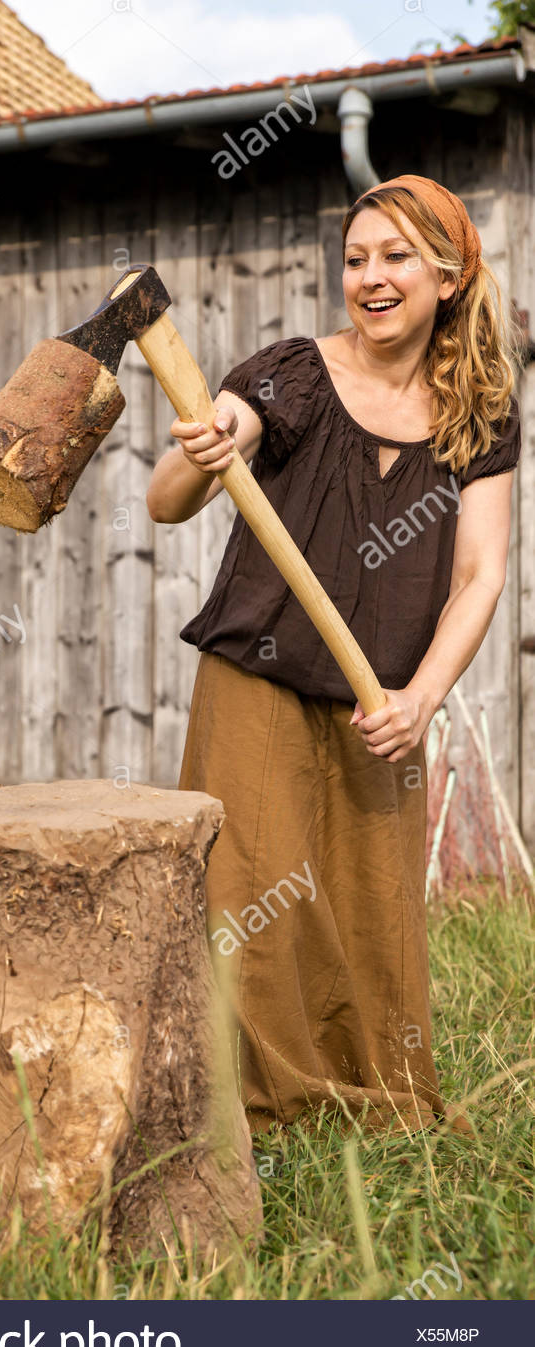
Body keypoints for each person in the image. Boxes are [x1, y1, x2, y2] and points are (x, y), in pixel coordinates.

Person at [146, 174, 523, 1136]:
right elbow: (166, 499)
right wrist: (208, 444)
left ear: (448, 273)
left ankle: (368, 1100)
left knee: (371, 910)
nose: (371, 276)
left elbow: (481, 575)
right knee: (253, 897)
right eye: (356, 258)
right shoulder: (292, 374)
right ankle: (255, 1114)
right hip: (259, 677)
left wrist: (423, 697)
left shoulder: (478, 411)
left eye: (395, 256)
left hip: (380, 703)